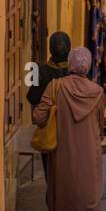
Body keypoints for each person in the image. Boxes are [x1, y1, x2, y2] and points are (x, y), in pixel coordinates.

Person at [32, 46, 105, 211]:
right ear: (88, 65)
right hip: (88, 155)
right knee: (87, 202)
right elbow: (100, 126)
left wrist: (54, 110)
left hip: (61, 155)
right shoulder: (97, 92)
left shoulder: (55, 87)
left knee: (61, 201)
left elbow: (38, 116)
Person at [27, 31, 71, 182]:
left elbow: (31, 97)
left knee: (50, 168)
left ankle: (52, 196)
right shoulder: (76, 71)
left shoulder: (40, 70)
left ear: (50, 48)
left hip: (48, 127)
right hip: (70, 127)